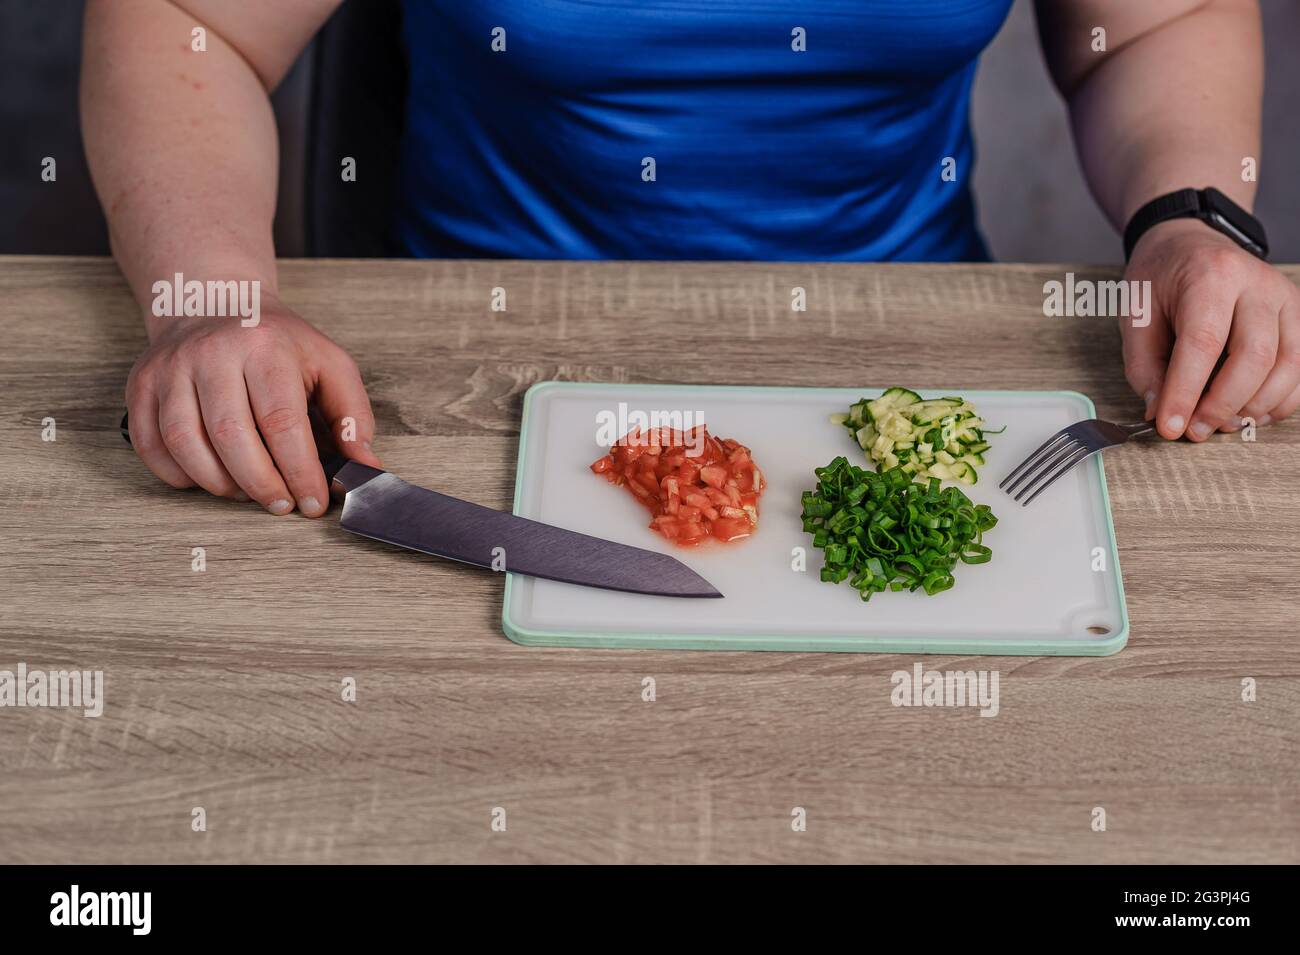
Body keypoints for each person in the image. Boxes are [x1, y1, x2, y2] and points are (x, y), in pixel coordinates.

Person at [82, 0, 1300, 516]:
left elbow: (1152, 25)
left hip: (902, 380)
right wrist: (212, 302)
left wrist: (1190, 218)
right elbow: (190, 22)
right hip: (462, 403)